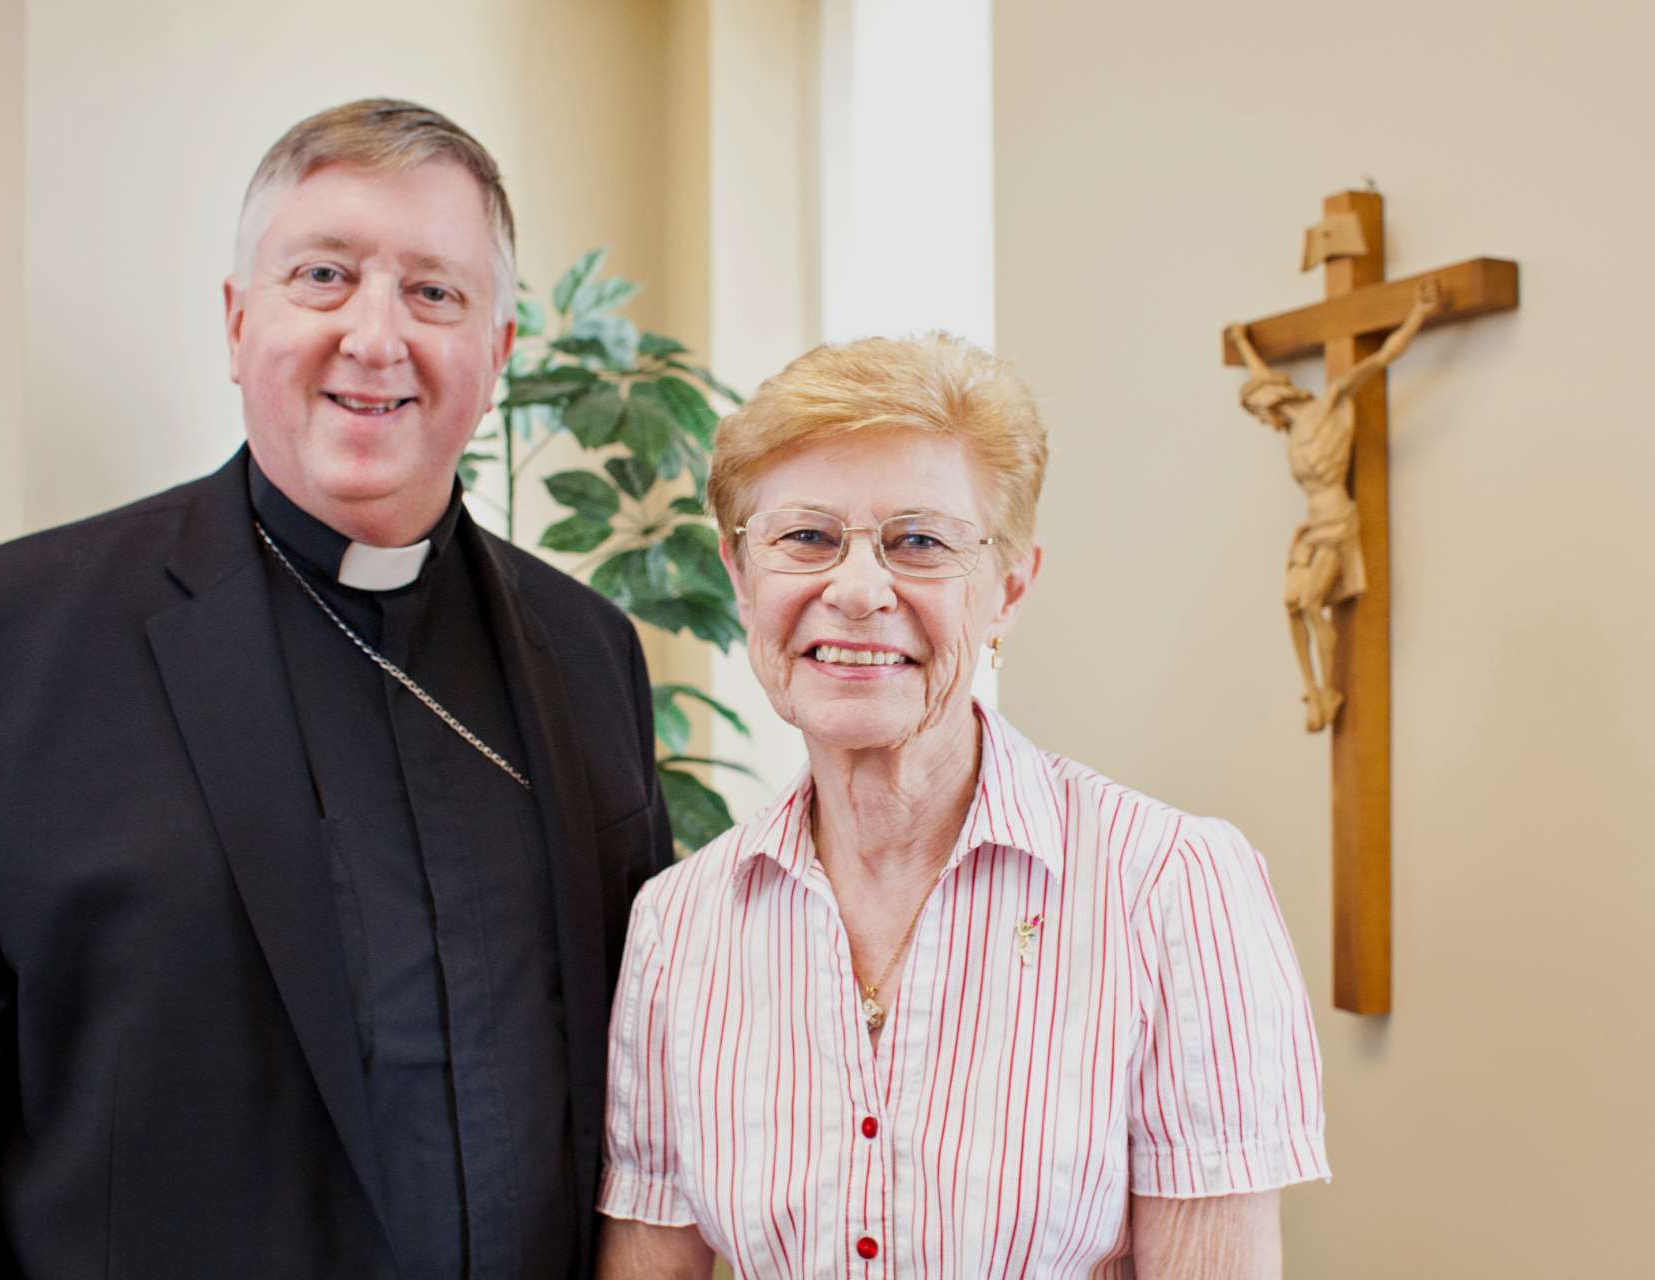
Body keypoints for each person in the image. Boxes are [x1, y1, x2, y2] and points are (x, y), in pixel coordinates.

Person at [0, 99, 671, 1278]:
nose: (375, 336)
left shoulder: (590, 651)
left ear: (497, 349)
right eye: (324, 276)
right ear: (238, 321)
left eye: (434, 292)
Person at [596, 334, 1329, 1278]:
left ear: (1008, 590)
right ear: (741, 577)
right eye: (806, 538)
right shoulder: (678, 924)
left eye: (921, 542)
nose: (857, 591)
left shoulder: (1174, 888)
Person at [1230, 280, 1439, 732]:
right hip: (1312, 525)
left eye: (1260, 413)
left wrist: (1418, 315)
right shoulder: (1292, 430)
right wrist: (1244, 342)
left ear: (1272, 402)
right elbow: (1260, 374)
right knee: (1291, 603)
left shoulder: (1330, 405)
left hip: (1338, 519)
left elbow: (1381, 359)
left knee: (1310, 603)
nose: (1263, 422)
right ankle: (1313, 688)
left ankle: (1328, 691)